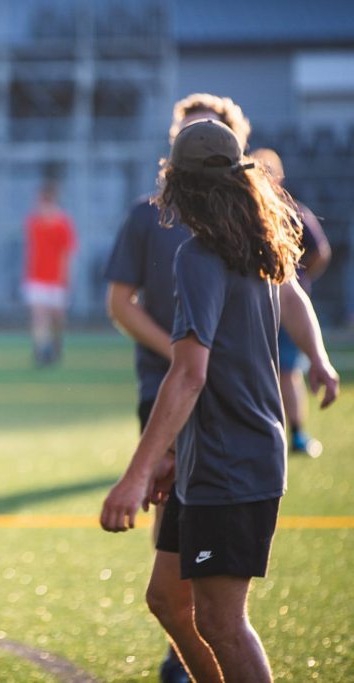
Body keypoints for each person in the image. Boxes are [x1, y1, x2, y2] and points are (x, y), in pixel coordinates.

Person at [100, 120, 339, 682]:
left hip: (231, 466)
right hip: (210, 459)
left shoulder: (201, 256)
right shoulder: (256, 249)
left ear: (177, 183)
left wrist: (134, 477)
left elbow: (188, 376)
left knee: (222, 623)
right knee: (169, 600)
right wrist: (171, 456)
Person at [104, 92, 253, 683]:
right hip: (175, 404)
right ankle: (187, 652)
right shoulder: (154, 222)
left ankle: (198, 645)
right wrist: (179, 352)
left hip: (225, 424)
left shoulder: (242, 240)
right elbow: (122, 305)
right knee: (171, 590)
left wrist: (314, 355)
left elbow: (197, 368)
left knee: (220, 608)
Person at [249, 147, 332, 457]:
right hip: (254, 308)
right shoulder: (246, 215)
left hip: (285, 306)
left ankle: (296, 433)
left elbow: (320, 251)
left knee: (287, 370)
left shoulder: (293, 211)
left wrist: (297, 277)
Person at [23, 179, 77, 366]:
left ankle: (55, 347)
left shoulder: (63, 224)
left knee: (57, 319)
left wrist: (65, 277)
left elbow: (67, 253)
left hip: (56, 279)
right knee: (39, 317)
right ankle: (40, 352)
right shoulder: (34, 222)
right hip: (36, 277)